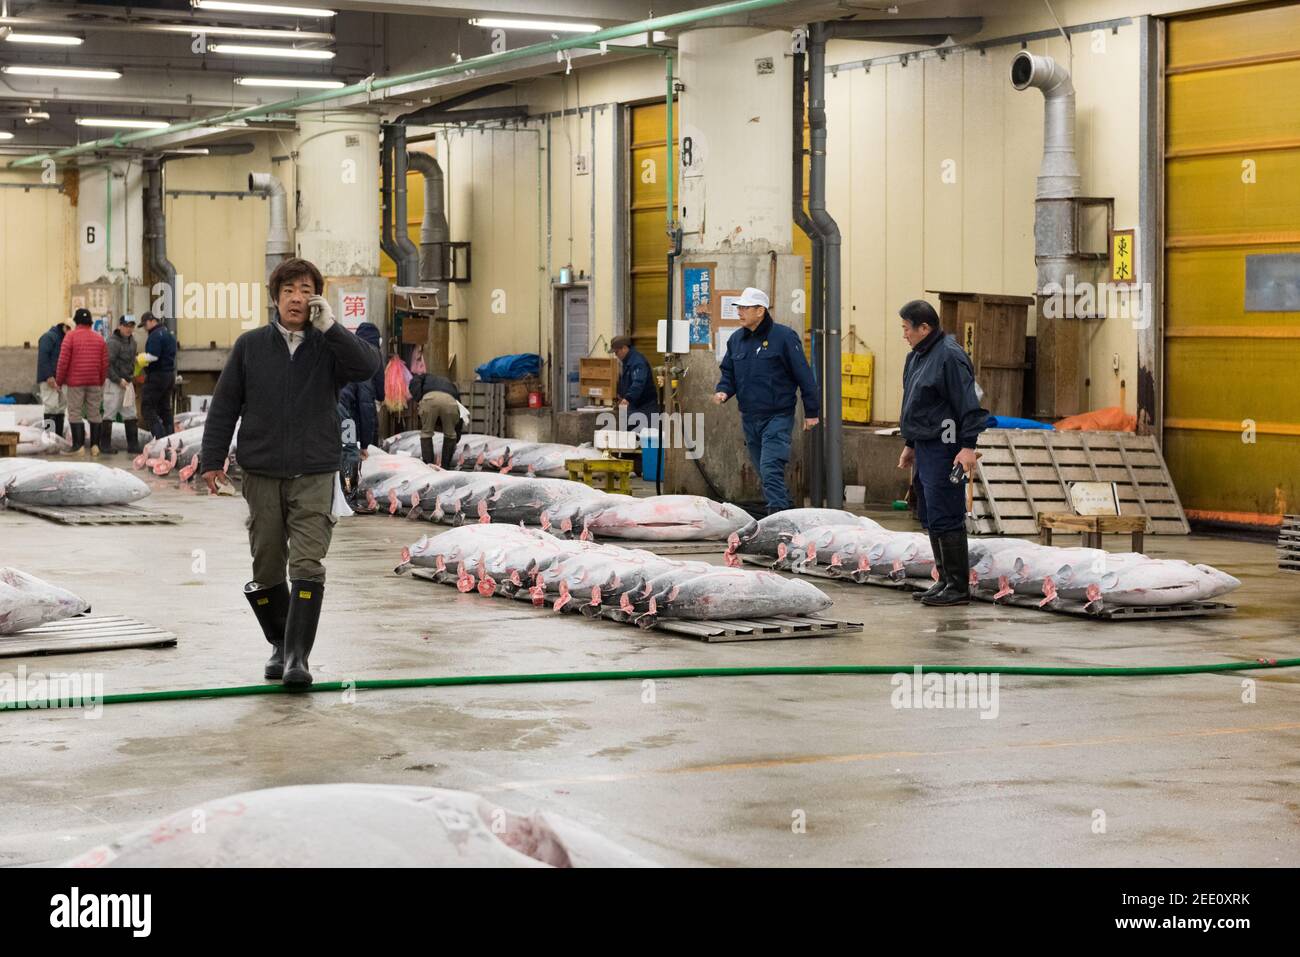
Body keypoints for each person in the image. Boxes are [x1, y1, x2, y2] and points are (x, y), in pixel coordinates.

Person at [198, 259, 380, 689]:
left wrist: (332, 329)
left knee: (307, 562)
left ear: (316, 296)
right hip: (261, 472)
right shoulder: (250, 346)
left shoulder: (328, 347)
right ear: (275, 298)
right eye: (288, 291)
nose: (296, 298)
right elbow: (224, 406)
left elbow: (368, 367)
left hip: (315, 471)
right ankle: (280, 643)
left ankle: (298, 658)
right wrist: (212, 460)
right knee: (265, 566)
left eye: (305, 289)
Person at [895, 299, 988, 607]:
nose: (904, 335)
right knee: (932, 511)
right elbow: (916, 403)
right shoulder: (918, 356)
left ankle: (959, 586)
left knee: (946, 510)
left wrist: (968, 446)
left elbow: (968, 404)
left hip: (946, 444)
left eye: (907, 329)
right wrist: (910, 444)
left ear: (925, 328)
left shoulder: (949, 356)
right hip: (925, 444)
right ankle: (945, 579)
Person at [712, 287, 819, 514]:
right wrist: (723, 390)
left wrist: (812, 412)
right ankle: (786, 509)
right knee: (763, 470)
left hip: (777, 416)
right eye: (738, 307)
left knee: (770, 468)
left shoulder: (784, 337)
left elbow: (804, 375)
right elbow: (729, 372)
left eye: (745, 308)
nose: (739, 312)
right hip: (750, 416)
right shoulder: (736, 340)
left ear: (760, 310)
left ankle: (778, 516)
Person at [55, 308, 109, 456]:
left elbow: (63, 362)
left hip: (75, 382)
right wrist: (100, 380)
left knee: (75, 412)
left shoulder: (70, 337)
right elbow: (105, 363)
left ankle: (78, 446)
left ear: (76, 321)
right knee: (94, 413)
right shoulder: (99, 339)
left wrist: (59, 381)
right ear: (90, 322)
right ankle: (95, 446)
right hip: (94, 382)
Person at [101, 315, 143, 455]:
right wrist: (118, 380)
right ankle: (105, 445)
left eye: (131, 326)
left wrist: (131, 378)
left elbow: (131, 362)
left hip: (127, 383)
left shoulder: (133, 342)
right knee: (109, 413)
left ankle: (133, 446)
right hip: (114, 383)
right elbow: (107, 364)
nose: (129, 329)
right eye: (126, 325)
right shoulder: (112, 342)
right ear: (120, 326)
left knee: (131, 414)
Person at [412, 371, 463, 469]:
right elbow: (460, 412)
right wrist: (457, 437)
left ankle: (428, 466)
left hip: (429, 399)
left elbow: (414, 383)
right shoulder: (450, 384)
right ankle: (445, 467)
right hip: (450, 401)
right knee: (450, 434)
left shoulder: (423, 377)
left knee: (426, 433)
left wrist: (419, 399)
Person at [141, 312, 177, 439]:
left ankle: (160, 439)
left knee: (147, 408)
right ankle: (171, 439)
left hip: (157, 376)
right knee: (165, 408)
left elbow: (153, 356)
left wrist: (140, 358)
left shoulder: (155, 335)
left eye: (145, 324)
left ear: (152, 321)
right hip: (169, 375)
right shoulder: (169, 334)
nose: (145, 328)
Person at [611, 335, 658, 429]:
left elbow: (639, 382)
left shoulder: (637, 362)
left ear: (624, 348)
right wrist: (620, 394)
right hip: (634, 406)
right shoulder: (627, 361)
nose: (616, 355)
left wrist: (627, 398)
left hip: (645, 407)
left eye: (616, 352)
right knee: (631, 438)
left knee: (646, 438)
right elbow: (625, 380)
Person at [36, 320, 69, 440]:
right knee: (50, 407)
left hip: (61, 380)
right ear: (64, 327)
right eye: (69, 329)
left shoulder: (65, 339)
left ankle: (58, 439)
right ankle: (49, 439)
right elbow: (43, 358)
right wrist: (49, 376)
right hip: (49, 379)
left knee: (60, 408)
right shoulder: (48, 337)